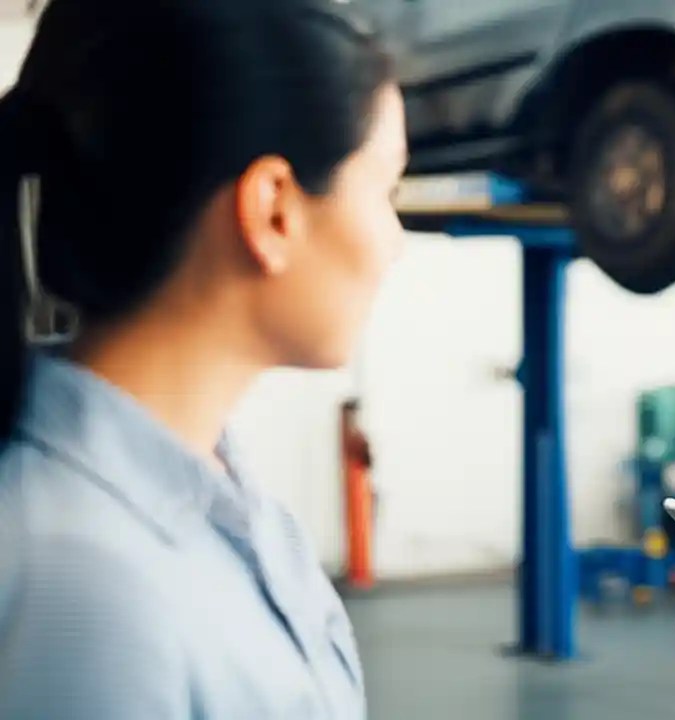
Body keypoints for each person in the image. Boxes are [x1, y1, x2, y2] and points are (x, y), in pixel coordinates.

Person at [0, 1, 406, 717]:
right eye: (386, 190)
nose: (395, 240)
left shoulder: (235, 510)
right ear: (273, 210)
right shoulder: (85, 592)